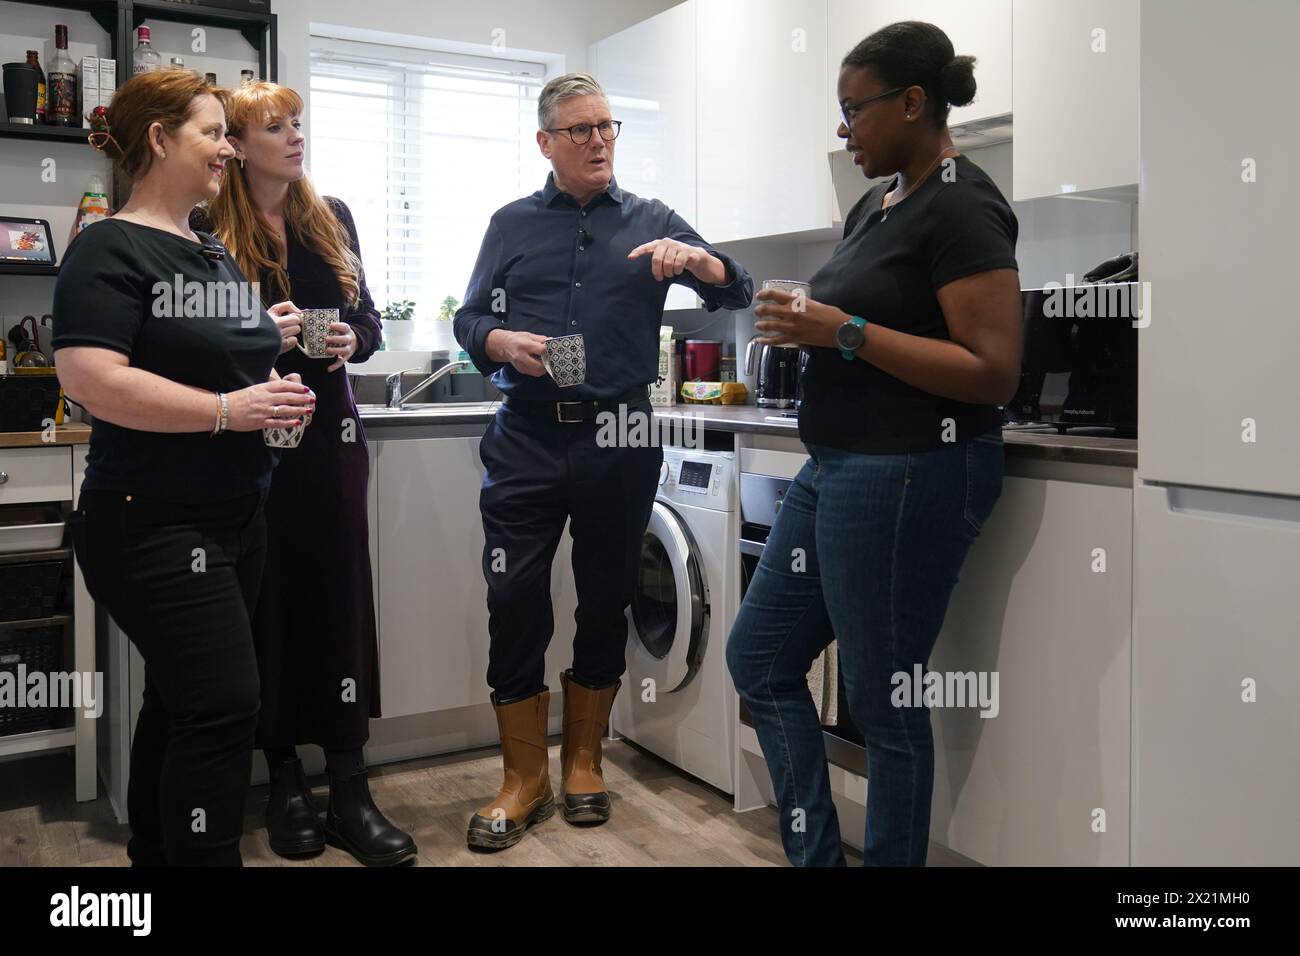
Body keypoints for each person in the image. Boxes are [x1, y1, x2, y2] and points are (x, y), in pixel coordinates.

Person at [725, 21, 1023, 867]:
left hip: (912, 469)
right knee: (760, 658)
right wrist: (814, 330)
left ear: (913, 102)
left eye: (854, 110)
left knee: (883, 701)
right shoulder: (878, 200)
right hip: (841, 466)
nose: (844, 128)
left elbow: (993, 370)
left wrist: (843, 329)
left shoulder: (964, 203)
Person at [454, 72, 753, 851]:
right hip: (525, 431)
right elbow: (470, 313)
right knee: (512, 594)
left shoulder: (652, 219)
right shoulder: (511, 222)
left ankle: (584, 760)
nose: (597, 142)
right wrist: (496, 341)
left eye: (607, 128)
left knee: (606, 594)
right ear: (546, 142)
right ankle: (524, 778)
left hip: (620, 431)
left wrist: (701, 262)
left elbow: (736, 286)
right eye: (580, 130)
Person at [52, 70, 315, 866]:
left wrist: (267, 337)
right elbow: (91, 377)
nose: (228, 150)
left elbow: (205, 350)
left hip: (235, 513)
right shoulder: (108, 244)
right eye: (212, 133)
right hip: (151, 521)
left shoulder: (204, 245)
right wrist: (230, 413)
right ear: (160, 140)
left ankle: (155, 858)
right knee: (224, 703)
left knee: (181, 700)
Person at [194, 81, 415, 867]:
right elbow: (196, 344)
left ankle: (350, 783)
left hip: (330, 436)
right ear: (236, 144)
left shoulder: (334, 216)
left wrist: (353, 339)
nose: (294, 138)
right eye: (274, 127)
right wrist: (263, 335)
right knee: (268, 603)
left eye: (298, 125)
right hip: (251, 439)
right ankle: (283, 775)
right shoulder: (206, 228)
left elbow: (370, 319)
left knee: (341, 595)